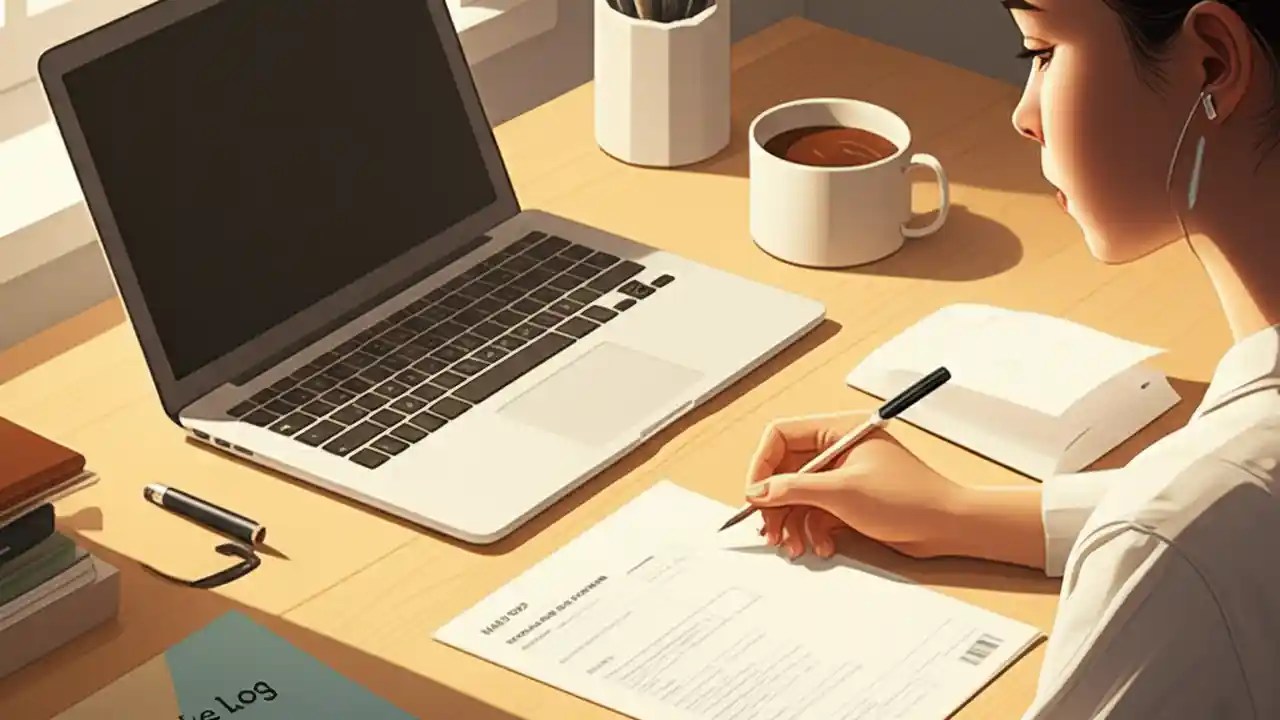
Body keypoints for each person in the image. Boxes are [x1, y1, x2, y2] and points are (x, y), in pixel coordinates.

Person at [741, 1, 1280, 717]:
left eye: (1043, 53)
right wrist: (957, 512)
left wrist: (1148, 533)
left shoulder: (1179, 546)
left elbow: (1198, 533)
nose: (1024, 115)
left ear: (1213, 63)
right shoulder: (1207, 513)